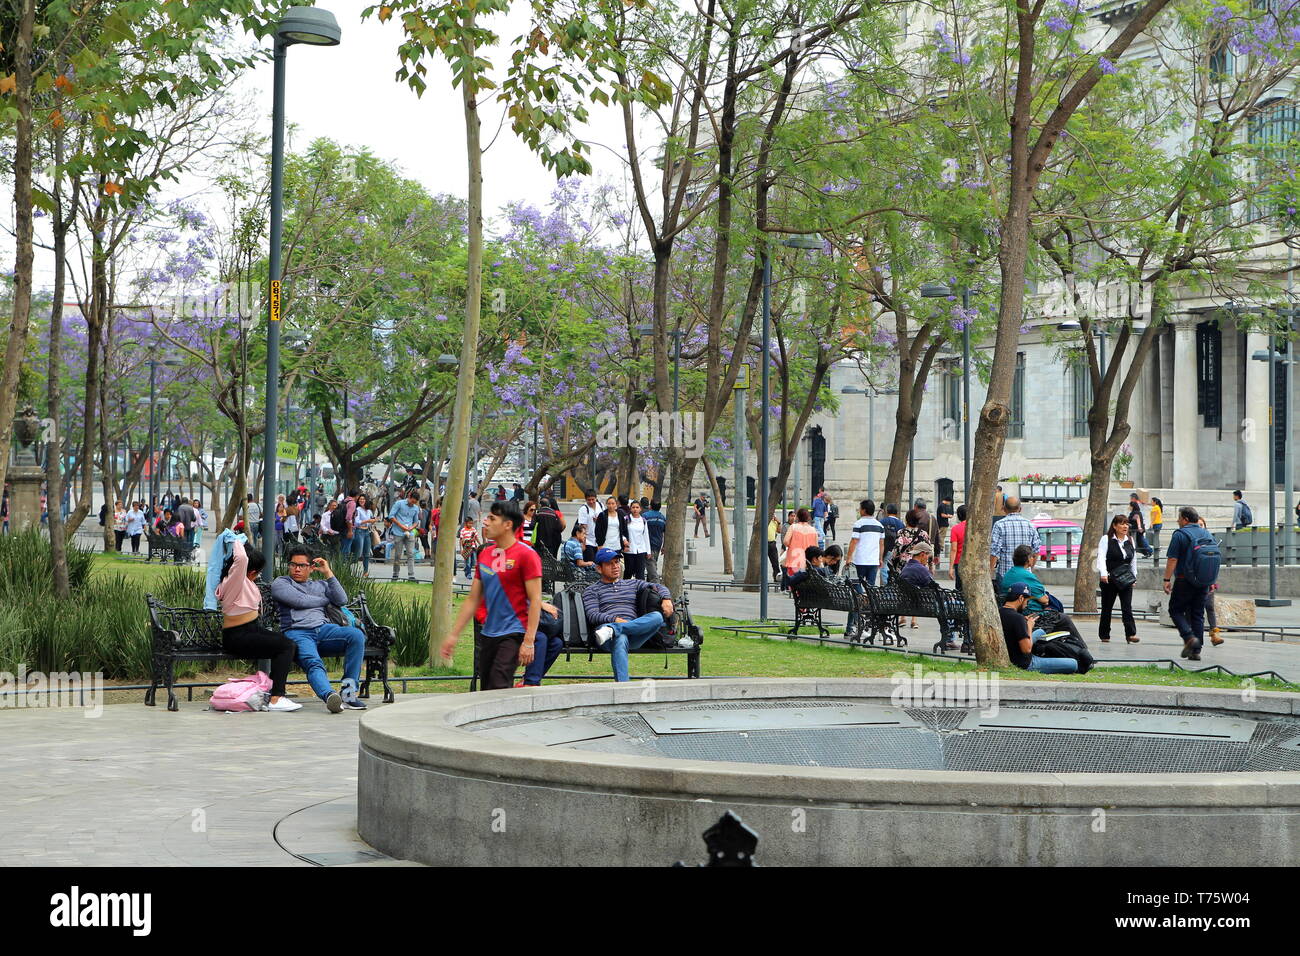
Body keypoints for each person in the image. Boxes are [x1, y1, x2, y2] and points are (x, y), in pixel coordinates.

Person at [439, 501, 543, 690]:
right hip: (488, 634)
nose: (485, 522)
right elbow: (473, 599)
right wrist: (453, 635)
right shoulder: (485, 554)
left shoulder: (527, 555)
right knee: (487, 690)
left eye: (492, 518)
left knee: (498, 685)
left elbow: (536, 600)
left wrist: (528, 641)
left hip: (513, 633)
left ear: (507, 525)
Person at [271, 549, 367, 712]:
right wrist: (325, 601)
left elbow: (342, 599)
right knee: (314, 663)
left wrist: (328, 573)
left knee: (356, 635)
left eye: (302, 565)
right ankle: (330, 696)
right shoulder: (281, 583)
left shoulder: (321, 585)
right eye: (293, 564)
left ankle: (348, 695)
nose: (297, 569)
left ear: (311, 567)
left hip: (324, 630)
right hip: (297, 632)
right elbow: (299, 601)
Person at [217, 538, 300, 711]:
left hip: (251, 631)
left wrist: (245, 543)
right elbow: (241, 559)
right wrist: (235, 539)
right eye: (257, 572)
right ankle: (277, 697)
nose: (258, 575)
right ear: (250, 571)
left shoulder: (245, 582)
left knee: (288, 645)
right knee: (286, 646)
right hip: (238, 636)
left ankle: (270, 692)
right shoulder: (234, 581)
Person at [583, 548, 678, 682]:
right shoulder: (591, 590)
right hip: (605, 638)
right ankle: (624, 688)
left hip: (633, 633)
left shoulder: (632, 584)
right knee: (620, 638)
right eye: (610, 564)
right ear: (599, 568)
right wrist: (615, 620)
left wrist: (666, 598)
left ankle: (613, 629)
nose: (615, 566)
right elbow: (593, 615)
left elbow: (658, 587)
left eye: (617, 562)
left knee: (657, 616)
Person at [1165, 506, 1217, 661]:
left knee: (1175, 610)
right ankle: (1196, 650)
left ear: (1185, 519)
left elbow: (1172, 559)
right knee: (1197, 614)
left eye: (1179, 518)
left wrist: (1166, 579)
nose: (1177, 521)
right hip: (1203, 581)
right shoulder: (1206, 533)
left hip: (1184, 579)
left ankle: (1188, 638)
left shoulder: (1180, 535)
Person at [1000, 584, 1078, 674]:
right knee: (1073, 664)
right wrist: (1029, 626)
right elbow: (1026, 650)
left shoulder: (1000, 611)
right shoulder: (1018, 619)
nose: (1026, 605)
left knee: (1040, 631)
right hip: (1026, 662)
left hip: (1012, 649)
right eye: (1027, 601)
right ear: (1021, 598)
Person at [1097, 513, 1140, 644]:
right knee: (1107, 607)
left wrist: (1134, 576)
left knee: (1127, 606)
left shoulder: (1130, 540)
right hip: (1110, 578)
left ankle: (1130, 633)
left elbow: (1133, 560)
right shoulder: (1106, 539)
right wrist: (1103, 573)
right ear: (1115, 526)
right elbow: (1101, 557)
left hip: (1125, 579)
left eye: (1126, 523)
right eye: (1121, 523)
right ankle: (1104, 634)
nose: (1125, 526)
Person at [989, 496, 1041, 592]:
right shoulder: (1029, 524)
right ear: (1020, 509)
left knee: (1005, 601)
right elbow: (1037, 549)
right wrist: (1031, 567)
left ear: (1004, 509)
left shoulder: (999, 525)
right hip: (1025, 573)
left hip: (1005, 573)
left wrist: (990, 571)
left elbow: (994, 551)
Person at [845, 499, 884, 587]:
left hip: (860, 560)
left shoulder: (858, 524)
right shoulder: (880, 526)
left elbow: (854, 541)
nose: (859, 510)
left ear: (864, 510)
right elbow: (881, 544)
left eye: (860, 508)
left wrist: (849, 557)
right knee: (871, 586)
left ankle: (861, 598)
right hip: (874, 561)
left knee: (856, 583)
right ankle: (868, 600)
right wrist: (880, 558)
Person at [387, 490, 422, 584]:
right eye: (412, 501)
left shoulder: (415, 508)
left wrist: (411, 527)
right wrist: (400, 525)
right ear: (409, 497)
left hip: (409, 533)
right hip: (398, 532)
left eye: (415, 502)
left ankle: (411, 575)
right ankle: (395, 574)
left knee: (410, 554)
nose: (413, 504)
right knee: (398, 555)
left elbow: (416, 522)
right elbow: (391, 516)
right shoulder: (399, 504)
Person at [782, 508, 819, 590]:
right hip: (807, 562)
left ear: (797, 517)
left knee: (794, 585)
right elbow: (816, 548)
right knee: (805, 586)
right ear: (808, 518)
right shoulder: (813, 530)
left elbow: (785, 541)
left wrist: (792, 546)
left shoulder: (793, 527)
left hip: (794, 560)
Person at [624, 499, 652, 580]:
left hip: (641, 550)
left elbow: (646, 536)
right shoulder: (626, 519)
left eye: (637, 507)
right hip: (629, 550)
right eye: (633, 507)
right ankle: (626, 589)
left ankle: (641, 590)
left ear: (640, 509)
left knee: (640, 573)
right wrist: (624, 540)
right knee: (629, 571)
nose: (635, 509)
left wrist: (648, 551)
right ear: (630, 508)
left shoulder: (643, 521)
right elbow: (622, 532)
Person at [879, 504, 904, 585]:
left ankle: (887, 587)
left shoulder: (882, 522)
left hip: (885, 549)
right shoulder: (901, 524)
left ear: (887, 512)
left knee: (884, 566)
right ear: (896, 513)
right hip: (896, 550)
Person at [352, 493, 375, 577]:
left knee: (367, 554)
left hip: (367, 532)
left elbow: (371, 521)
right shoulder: (357, 509)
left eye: (363, 499)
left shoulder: (369, 511)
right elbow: (357, 522)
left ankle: (365, 572)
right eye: (360, 499)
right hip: (359, 532)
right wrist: (368, 521)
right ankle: (347, 565)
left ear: (366, 500)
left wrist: (373, 521)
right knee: (358, 553)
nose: (362, 501)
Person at [577, 490, 601, 560]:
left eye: (593, 499)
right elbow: (582, 527)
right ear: (585, 499)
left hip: (599, 540)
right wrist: (583, 544)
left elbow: (604, 521)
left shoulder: (600, 506)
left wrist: (598, 520)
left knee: (599, 561)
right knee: (591, 561)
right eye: (589, 500)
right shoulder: (583, 509)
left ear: (596, 498)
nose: (591, 502)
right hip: (588, 541)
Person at [948, 505, 968, 590]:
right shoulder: (976, 528)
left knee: (960, 588)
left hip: (959, 562)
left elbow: (953, 549)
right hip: (973, 561)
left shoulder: (955, 529)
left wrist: (951, 567)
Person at [1128, 493, 1153, 558]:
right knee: (1140, 541)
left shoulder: (1135, 512)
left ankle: (1150, 551)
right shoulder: (1136, 511)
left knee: (1141, 540)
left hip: (1138, 530)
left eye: (1130, 506)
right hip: (1137, 529)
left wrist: (1139, 527)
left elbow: (1137, 518)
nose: (1129, 507)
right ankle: (1147, 552)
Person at [644, 499, 667, 567]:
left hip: (645, 544)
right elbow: (665, 533)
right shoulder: (662, 518)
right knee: (653, 562)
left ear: (650, 506)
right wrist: (664, 546)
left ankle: (654, 577)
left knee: (649, 565)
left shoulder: (645, 516)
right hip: (657, 544)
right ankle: (650, 577)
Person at [767, 510, 783, 585]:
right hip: (764, 543)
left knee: (775, 562)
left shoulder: (775, 522)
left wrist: (778, 522)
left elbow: (779, 531)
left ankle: (776, 577)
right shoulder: (765, 521)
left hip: (772, 543)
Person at [936, 497, 954, 564]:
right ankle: (941, 547)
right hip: (943, 524)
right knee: (942, 536)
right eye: (950, 502)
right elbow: (943, 515)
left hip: (941, 523)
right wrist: (949, 516)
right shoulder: (942, 506)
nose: (949, 504)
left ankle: (940, 547)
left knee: (941, 536)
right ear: (948, 501)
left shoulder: (941, 505)